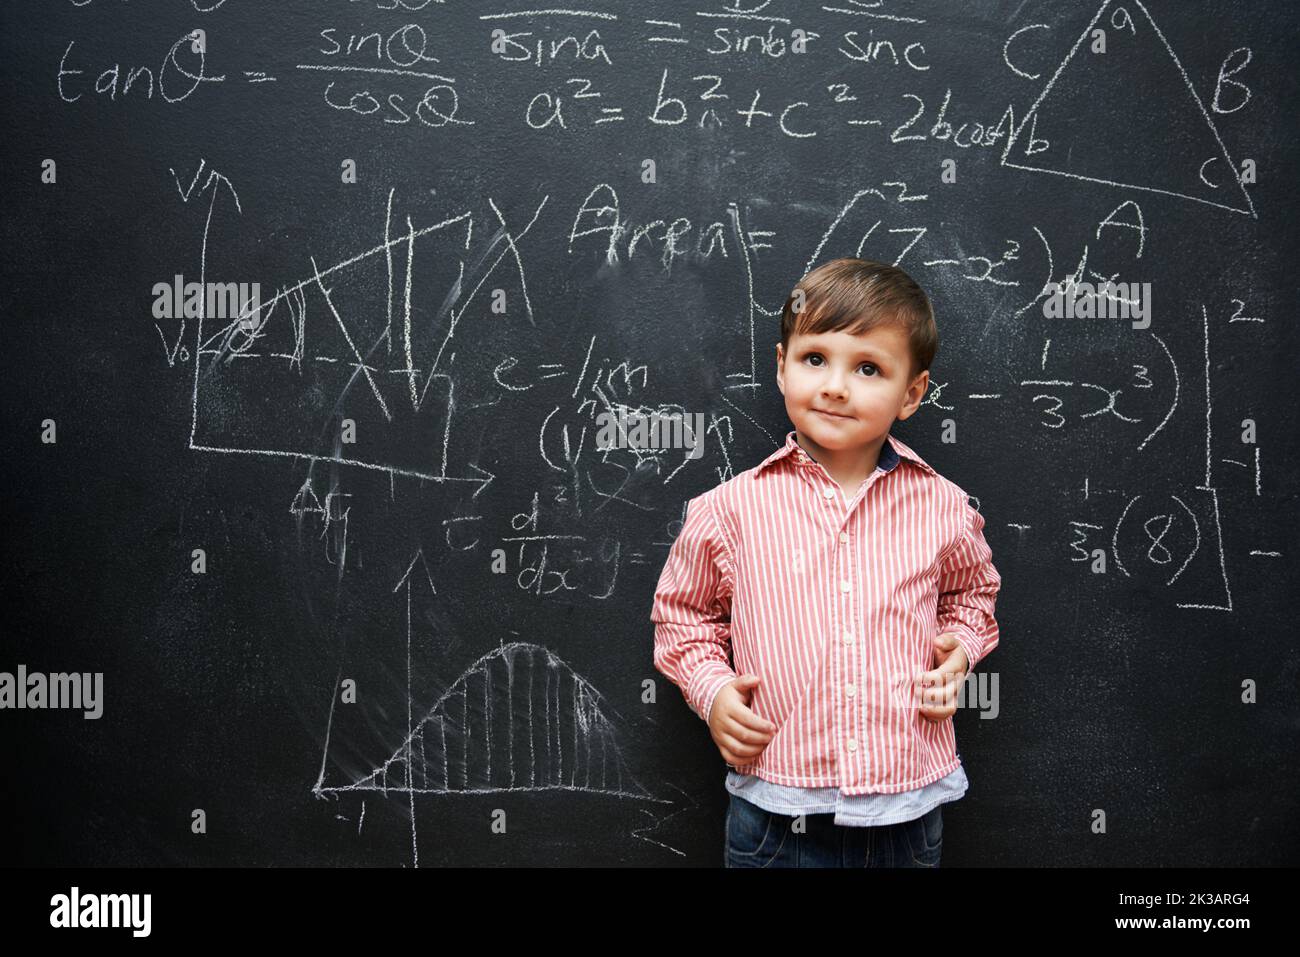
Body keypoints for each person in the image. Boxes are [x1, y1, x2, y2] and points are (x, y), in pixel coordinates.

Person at [650, 257, 1001, 868]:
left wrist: (960, 651)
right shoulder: (728, 510)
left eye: (868, 368)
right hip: (776, 814)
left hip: (905, 812)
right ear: (782, 366)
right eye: (816, 359)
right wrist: (712, 692)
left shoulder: (943, 507)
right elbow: (683, 618)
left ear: (912, 394)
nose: (836, 385)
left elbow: (973, 595)